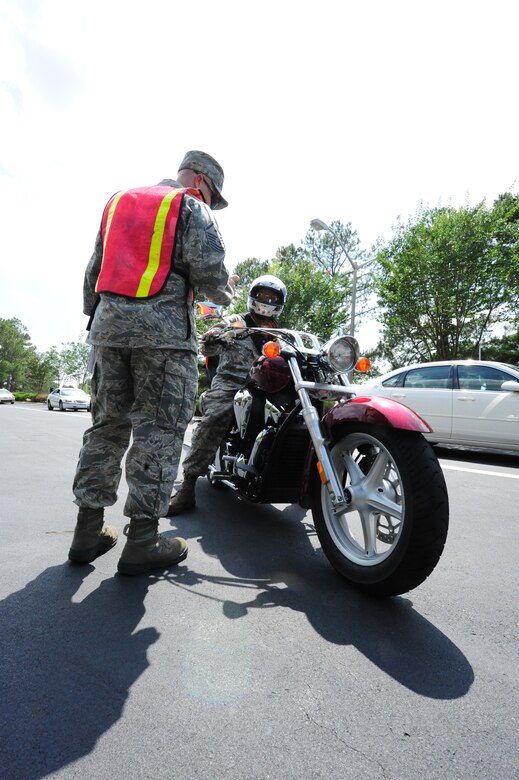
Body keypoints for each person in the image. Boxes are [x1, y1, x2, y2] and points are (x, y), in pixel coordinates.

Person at [69, 150, 238, 575]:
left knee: (106, 429)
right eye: (213, 196)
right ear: (201, 182)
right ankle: (143, 541)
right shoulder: (189, 205)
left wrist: (106, 318)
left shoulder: (119, 201)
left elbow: (92, 277)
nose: (211, 203)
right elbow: (212, 277)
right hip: (163, 339)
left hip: (107, 332)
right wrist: (227, 292)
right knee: (159, 433)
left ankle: (87, 532)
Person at [166, 275, 287, 516]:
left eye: (273, 297)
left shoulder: (282, 334)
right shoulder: (237, 322)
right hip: (232, 384)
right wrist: (215, 335)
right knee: (216, 417)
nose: (267, 301)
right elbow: (208, 346)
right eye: (263, 295)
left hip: (268, 387)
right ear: (253, 296)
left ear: (280, 302)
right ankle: (188, 486)